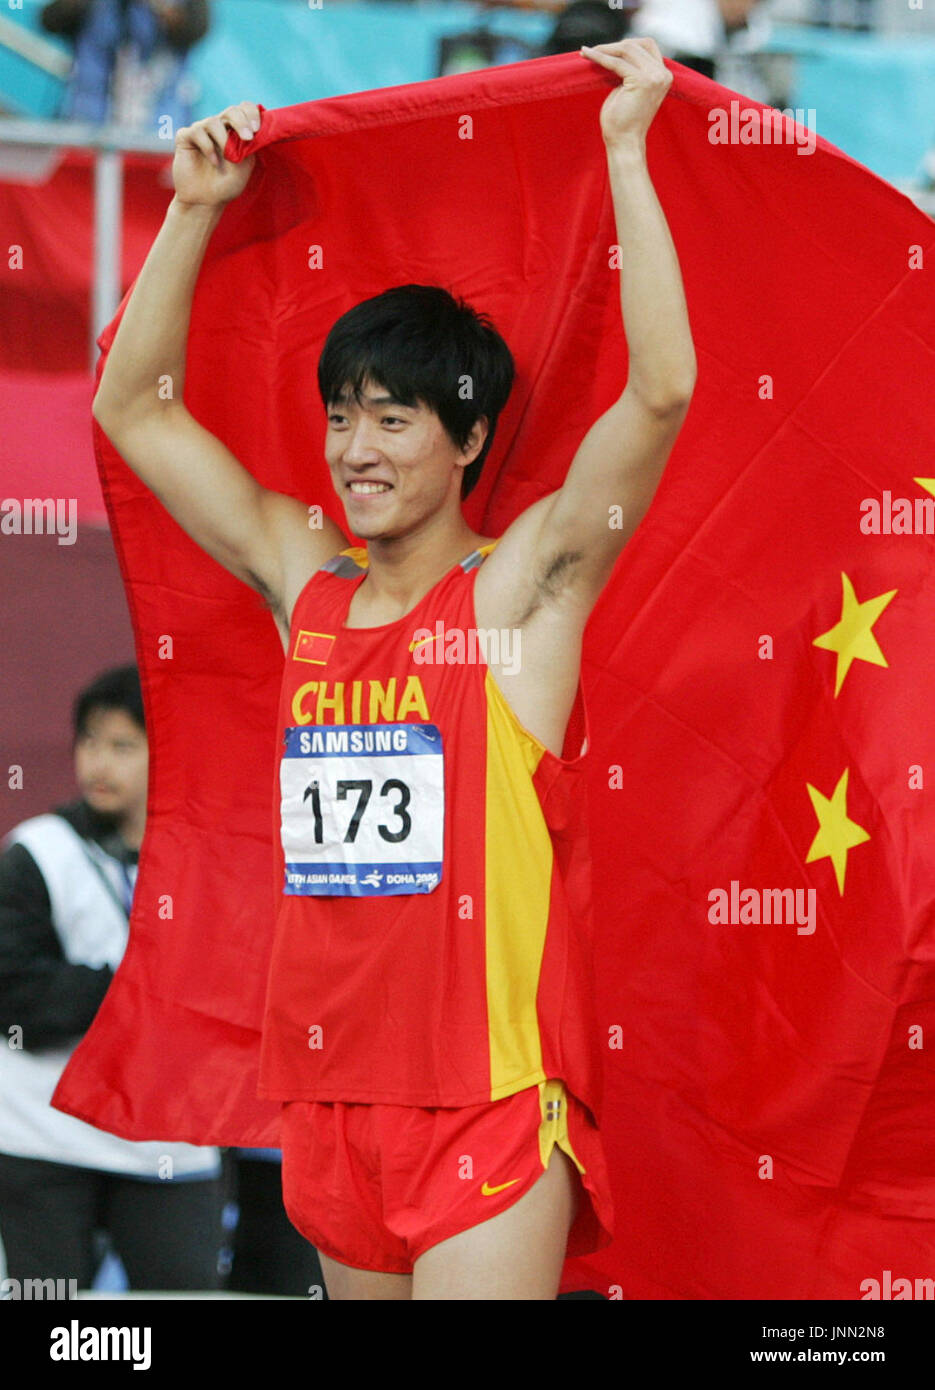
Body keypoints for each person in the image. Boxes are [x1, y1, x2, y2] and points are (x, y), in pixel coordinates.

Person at [91, 38, 696, 1299]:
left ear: (469, 434)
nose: (354, 448)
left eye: (393, 417)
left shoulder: (520, 593)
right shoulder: (301, 586)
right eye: (339, 414)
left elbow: (658, 393)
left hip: (481, 1101)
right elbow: (132, 410)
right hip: (327, 1105)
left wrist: (628, 153)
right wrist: (191, 215)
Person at [0, 665, 226, 1293]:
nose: (100, 762)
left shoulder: (207, 860)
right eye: (91, 741)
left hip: (170, 1143)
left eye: (124, 746)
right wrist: (137, 987)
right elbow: (14, 997)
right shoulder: (39, 852)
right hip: (44, 1136)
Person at [40, 0, 210, 131]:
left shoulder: (183, 7)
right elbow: (50, 20)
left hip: (158, 132)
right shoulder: (101, 8)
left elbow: (195, 28)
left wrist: (159, 7)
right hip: (86, 126)